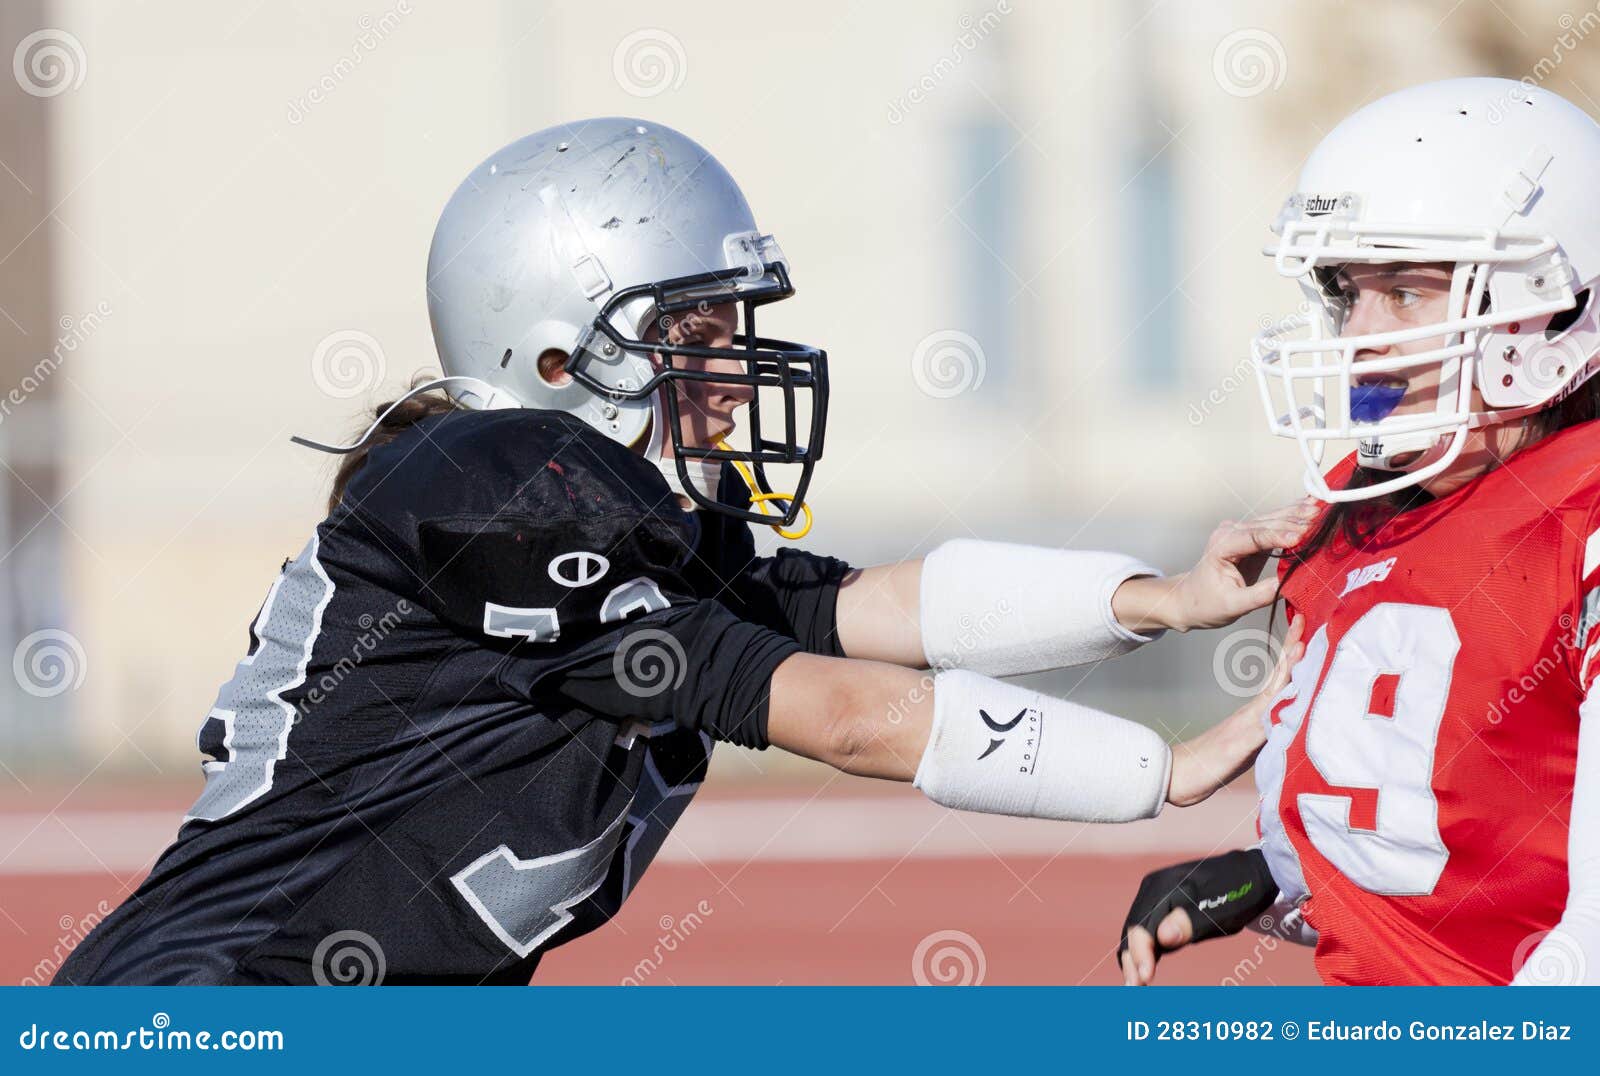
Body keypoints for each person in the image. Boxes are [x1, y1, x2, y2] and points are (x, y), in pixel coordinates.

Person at [55, 118, 1304, 985]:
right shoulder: (489, 489)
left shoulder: (605, 511)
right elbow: (847, 715)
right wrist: (1162, 767)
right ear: (556, 355)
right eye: (694, 330)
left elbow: (867, 604)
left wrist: (1167, 601)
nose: (728, 370)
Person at [1117, 78, 1600, 987]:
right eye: (1350, 290)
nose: (1361, 334)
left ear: (1554, 310)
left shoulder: (1581, 513)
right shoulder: (1358, 510)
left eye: (1407, 290)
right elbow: (1452, 816)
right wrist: (1281, 876)